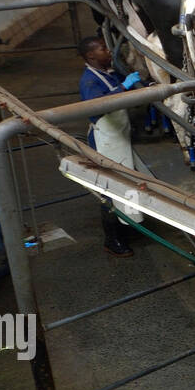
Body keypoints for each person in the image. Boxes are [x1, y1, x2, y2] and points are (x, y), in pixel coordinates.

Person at [78, 35, 143, 257]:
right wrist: (123, 88)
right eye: (103, 49)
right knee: (109, 191)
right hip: (105, 142)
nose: (108, 51)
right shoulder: (89, 81)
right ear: (91, 55)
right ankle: (113, 240)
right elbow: (97, 107)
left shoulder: (108, 73)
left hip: (118, 136)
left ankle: (129, 228)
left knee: (127, 185)